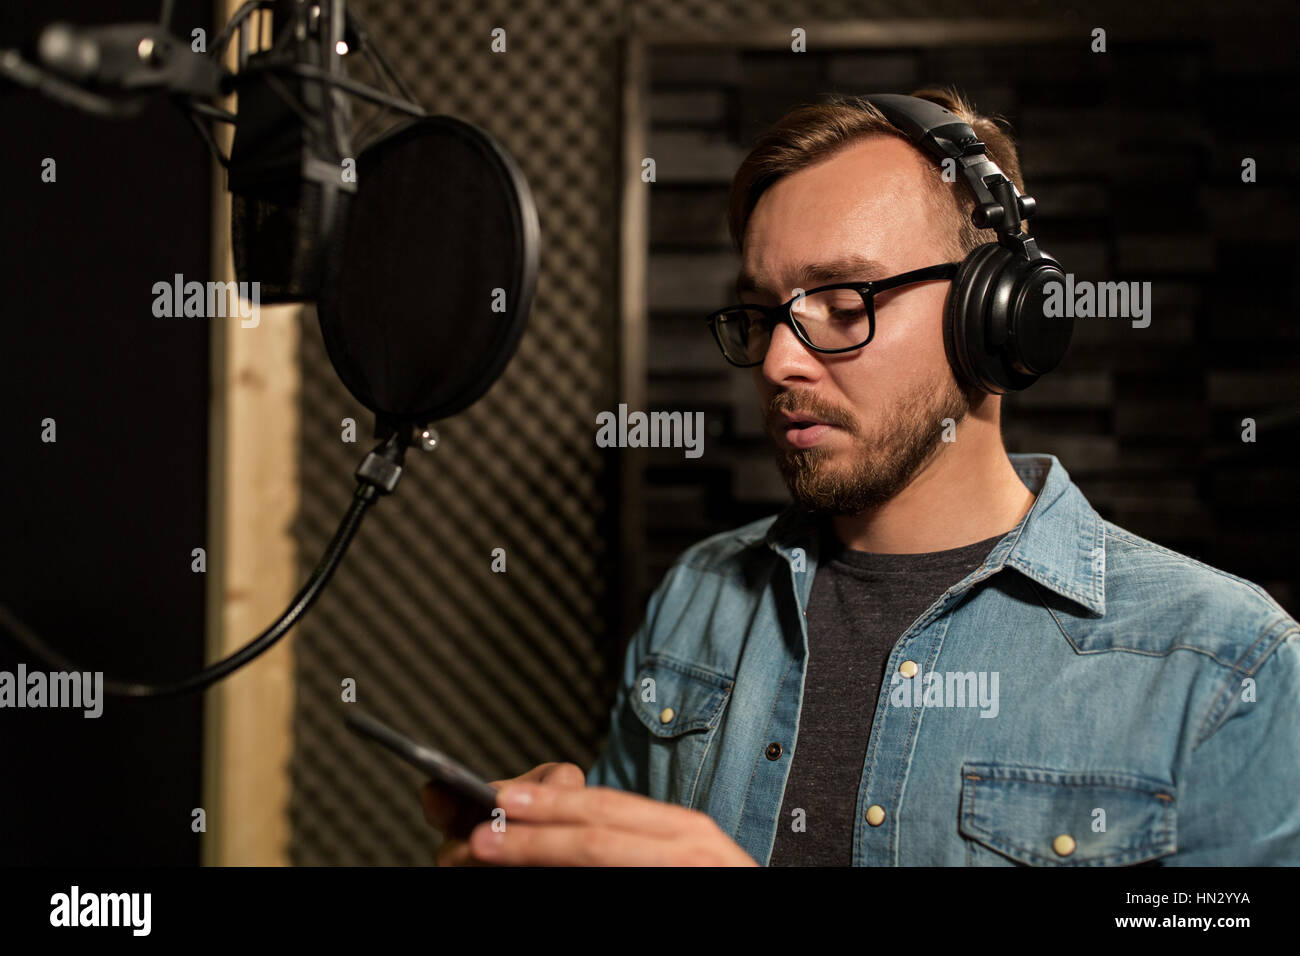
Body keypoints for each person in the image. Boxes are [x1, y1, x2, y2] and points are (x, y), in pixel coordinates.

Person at [423, 88, 1300, 866]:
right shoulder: (698, 595)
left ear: (996, 315)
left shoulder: (1225, 670)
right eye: (764, 315)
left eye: (843, 306)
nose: (775, 364)